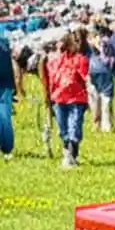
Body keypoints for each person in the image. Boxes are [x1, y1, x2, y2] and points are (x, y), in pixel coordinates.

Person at [47, 31, 90, 169]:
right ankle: (67, 152)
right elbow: (51, 79)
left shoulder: (80, 59)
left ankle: (71, 155)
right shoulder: (55, 61)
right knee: (63, 128)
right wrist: (48, 97)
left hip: (76, 97)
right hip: (59, 97)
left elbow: (85, 78)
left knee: (74, 126)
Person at [86, 28, 115, 132]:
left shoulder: (102, 45)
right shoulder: (104, 44)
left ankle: (101, 125)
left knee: (100, 100)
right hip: (99, 73)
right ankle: (102, 125)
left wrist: (98, 47)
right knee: (101, 100)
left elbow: (108, 60)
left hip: (97, 73)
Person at [0, 31, 18, 161]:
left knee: (5, 118)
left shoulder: (4, 42)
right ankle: (7, 148)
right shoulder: (5, 41)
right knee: (5, 118)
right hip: (6, 84)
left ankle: (7, 148)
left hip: (5, 84)